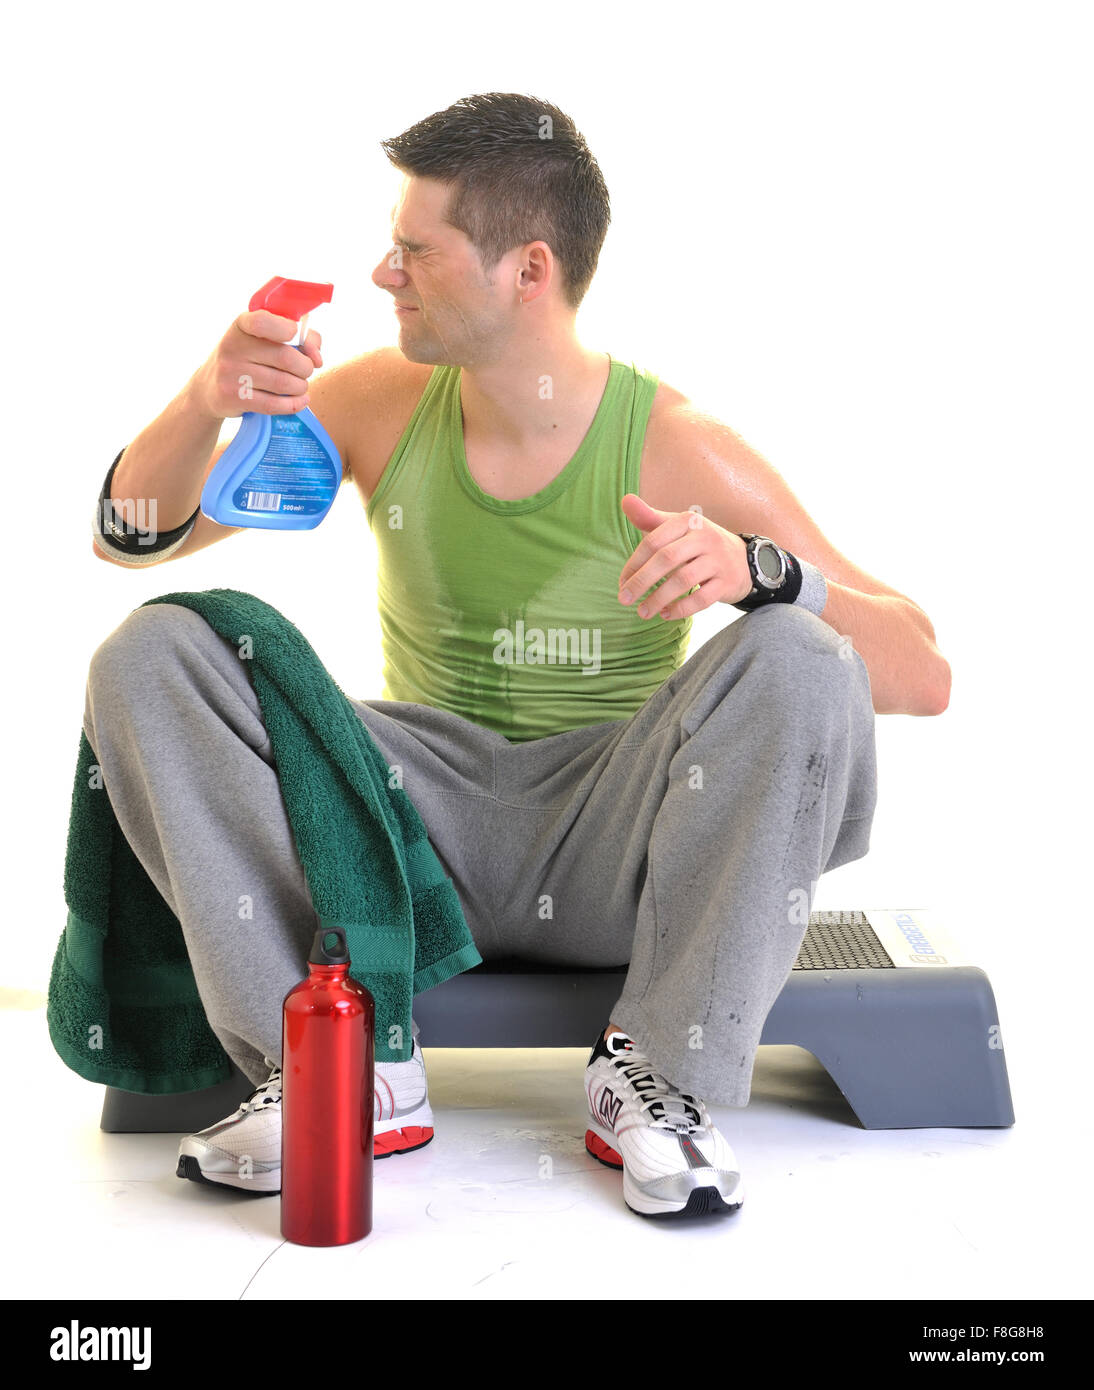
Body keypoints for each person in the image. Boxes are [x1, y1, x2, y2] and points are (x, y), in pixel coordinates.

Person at [87, 92, 950, 1221]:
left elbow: (920, 672)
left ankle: (658, 1078)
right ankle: (339, 1072)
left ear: (524, 269)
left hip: (611, 828)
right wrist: (208, 400)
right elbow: (129, 535)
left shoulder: (675, 441)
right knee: (155, 651)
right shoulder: (378, 403)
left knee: (800, 652)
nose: (382, 275)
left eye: (413, 253)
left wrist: (761, 573)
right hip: (405, 826)